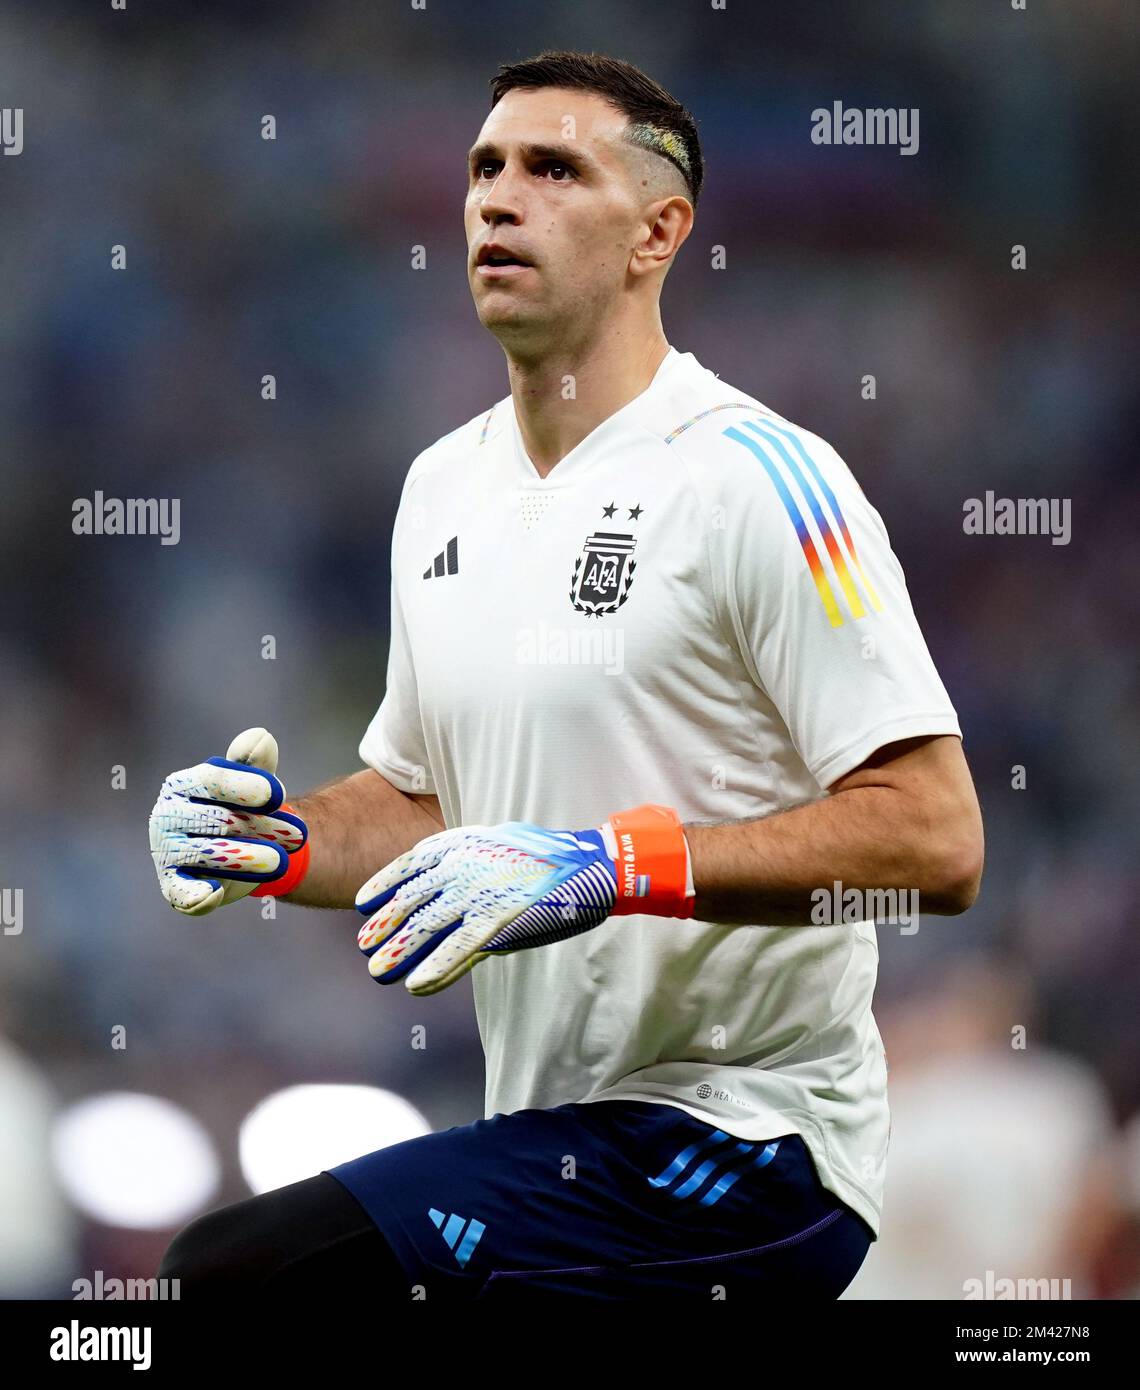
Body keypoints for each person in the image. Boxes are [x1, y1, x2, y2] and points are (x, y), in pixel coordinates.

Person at [151, 50, 983, 1301]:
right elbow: (431, 806)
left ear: (660, 231)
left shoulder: (759, 477)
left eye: (552, 168)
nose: (498, 198)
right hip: (563, 1137)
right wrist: (273, 841)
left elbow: (936, 835)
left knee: (235, 1276)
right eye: (485, 168)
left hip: (748, 1139)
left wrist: (613, 866)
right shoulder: (442, 486)